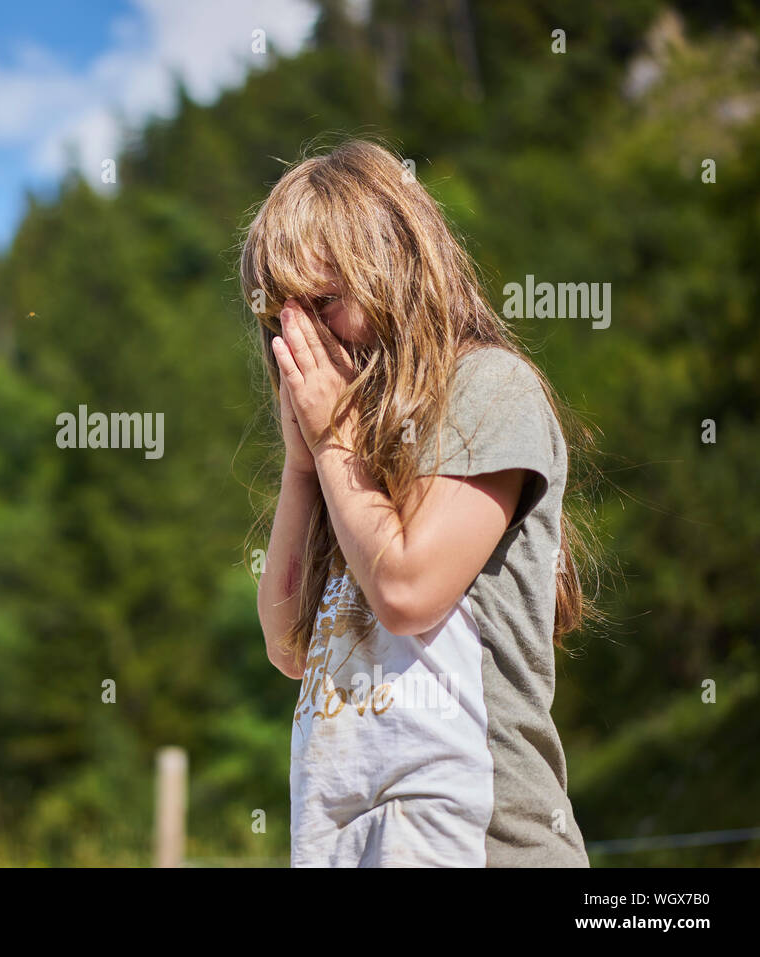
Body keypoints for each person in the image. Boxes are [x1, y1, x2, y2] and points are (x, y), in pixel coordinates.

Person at [240, 139, 594, 867]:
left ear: (393, 266)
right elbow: (287, 643)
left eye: (324, 303)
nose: (298, 341)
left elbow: (406, 590)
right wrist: (305, 465)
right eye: (283, 319)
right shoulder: (347, 471)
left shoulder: (489, 390)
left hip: (482, 845)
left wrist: (333, 437)